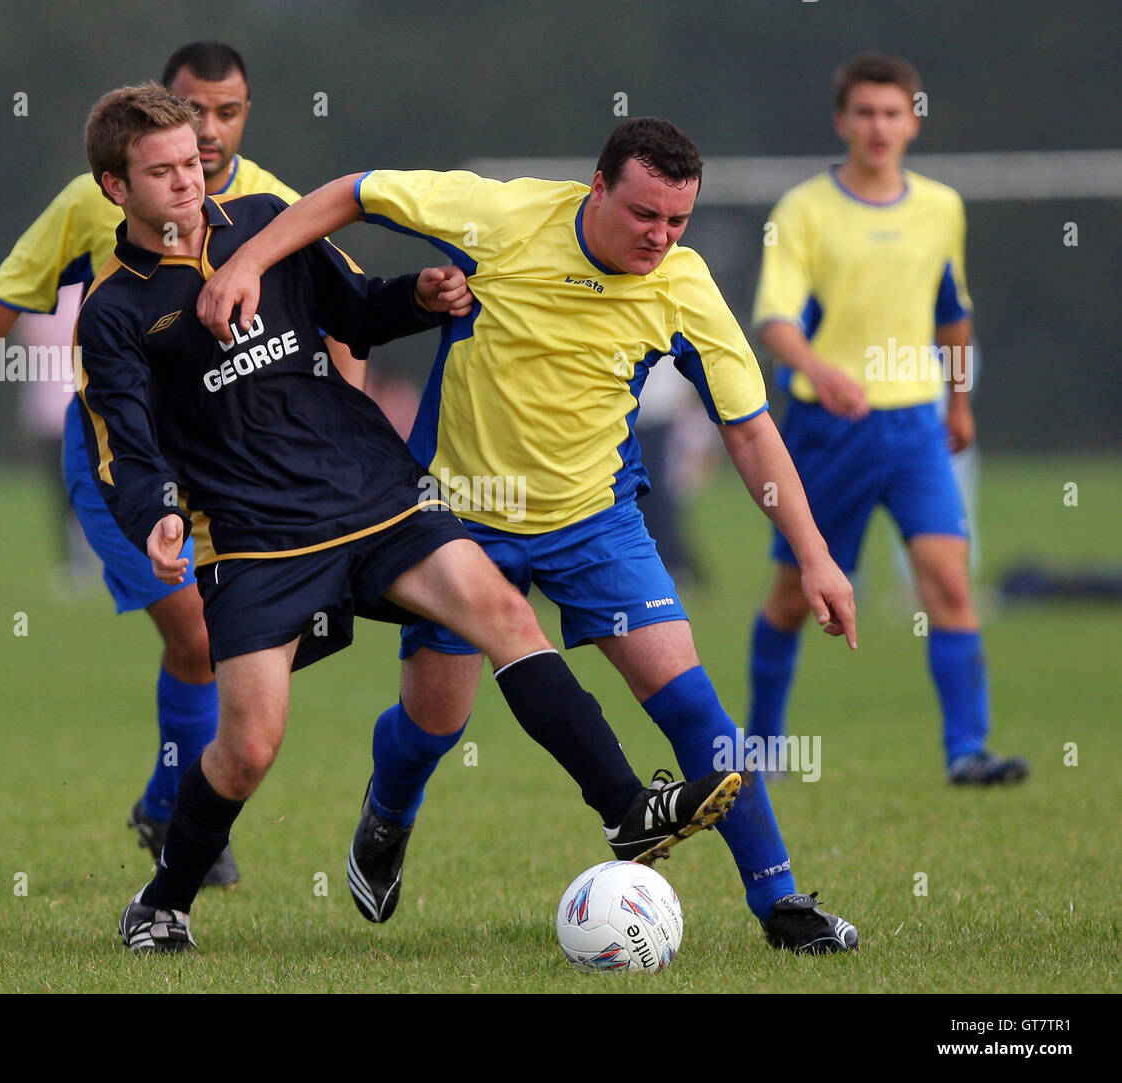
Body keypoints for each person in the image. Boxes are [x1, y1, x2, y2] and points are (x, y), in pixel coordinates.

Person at [77, 85, 742, 953]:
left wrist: (421, 298)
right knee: (247, 748)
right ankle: (163, 900)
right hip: (255, 537)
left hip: (372, 493)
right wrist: (158, 514)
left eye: (193, 164)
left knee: (503, 612)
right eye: (159, 171)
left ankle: (625, 809)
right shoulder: (114, 312)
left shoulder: (265, 225)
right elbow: (122, 443)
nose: (187, 183)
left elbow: (354, 311)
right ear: (113, 186)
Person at [196, 117, 862, 954]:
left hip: (596, 522)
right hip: (457, 517)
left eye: (678, 221)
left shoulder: (685, 287)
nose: (660, 237)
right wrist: (250, 261)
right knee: (435, 721)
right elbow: (351, 193)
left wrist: (814, 555)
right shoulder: (499, 216)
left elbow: (751, 429)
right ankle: (387, 813)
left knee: (690, 699)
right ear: (598, 188)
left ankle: (782, 904)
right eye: (644, 215)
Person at [0, 42, 346, 888]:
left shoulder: (270, 205)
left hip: (230, 453)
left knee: (224, 642)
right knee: (194, 631)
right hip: (120, 450)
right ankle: (186, 816)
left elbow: (337, 308)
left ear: (246, 114)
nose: (207, 133)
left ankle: (166, 802)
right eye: (191, 112)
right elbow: (10, 289)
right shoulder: (91, 200)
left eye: (228, 113)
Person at [746, 53, 1027, 786]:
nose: (878, 126)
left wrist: (959, 400)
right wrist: (817, 369)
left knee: (948, 579)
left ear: (914, 120)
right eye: (864, 112)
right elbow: (774, 317)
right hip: (824, 431)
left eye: (892, 112)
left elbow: (953, 314)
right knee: (792, 596)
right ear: (843, 121)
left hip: (915, 430)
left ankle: (967, 751)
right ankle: (763, 744)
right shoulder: (804, 209)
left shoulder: (940, 208)